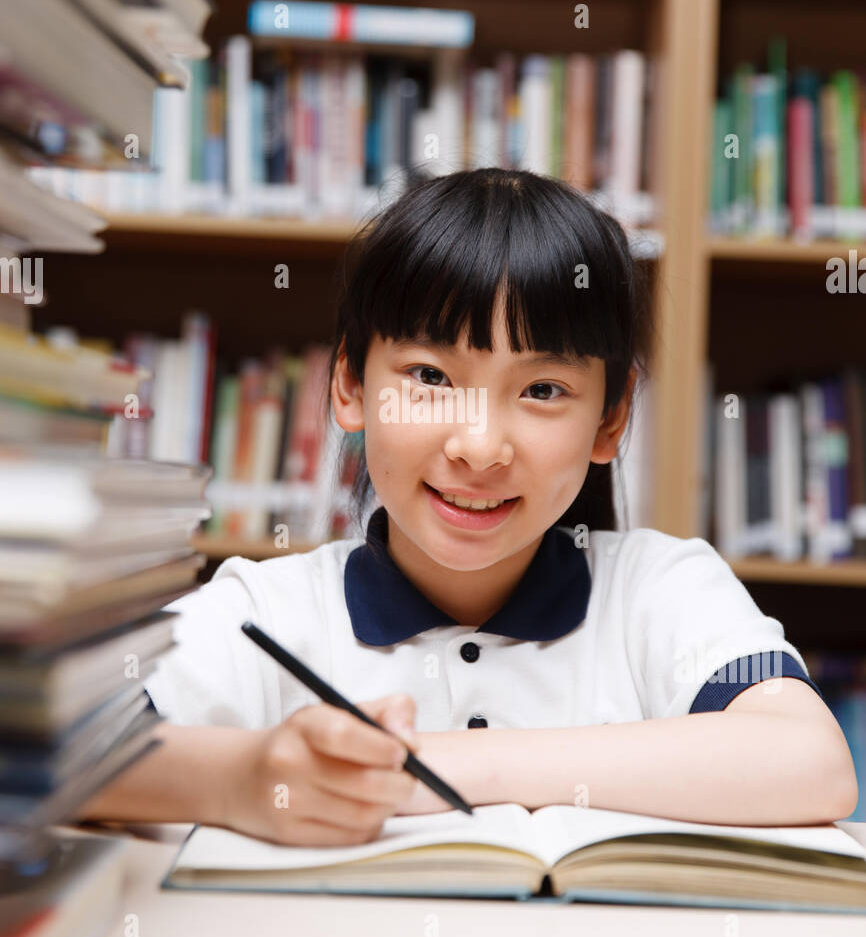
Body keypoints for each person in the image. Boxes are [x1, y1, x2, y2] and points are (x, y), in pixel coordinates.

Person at [79, 168, 858, 845]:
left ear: (610, 420)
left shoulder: (662, 588)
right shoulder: (266, 610)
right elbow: (61, 753)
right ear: (350, 387)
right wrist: (248, 777)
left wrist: (448, 766)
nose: (480, 447)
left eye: (543, 390)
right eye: (429, 376)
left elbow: (814, 764)